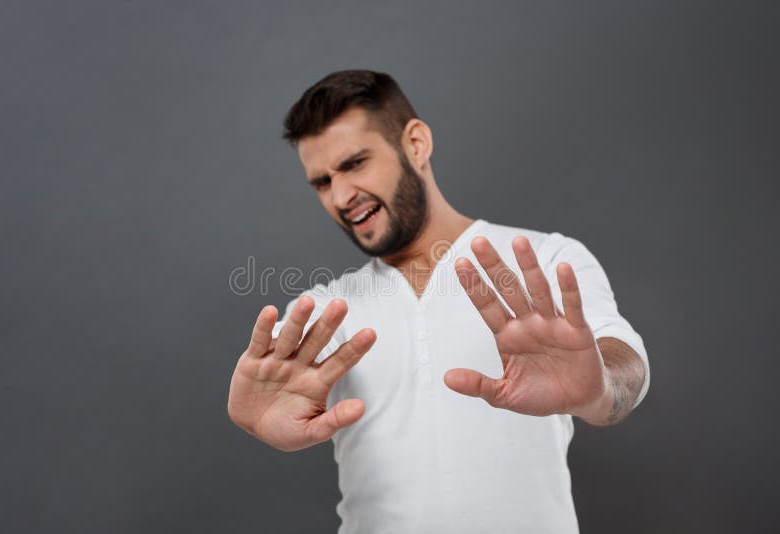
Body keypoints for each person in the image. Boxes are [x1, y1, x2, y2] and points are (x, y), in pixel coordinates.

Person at [228, 69, 650, 533]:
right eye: (323, 182)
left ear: (416, 143)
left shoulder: (547, 259)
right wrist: (260, 422)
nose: (342, 196)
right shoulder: (325, 312)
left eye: (354, 164)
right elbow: (284, 390)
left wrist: (600, 389)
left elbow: (621, 362)